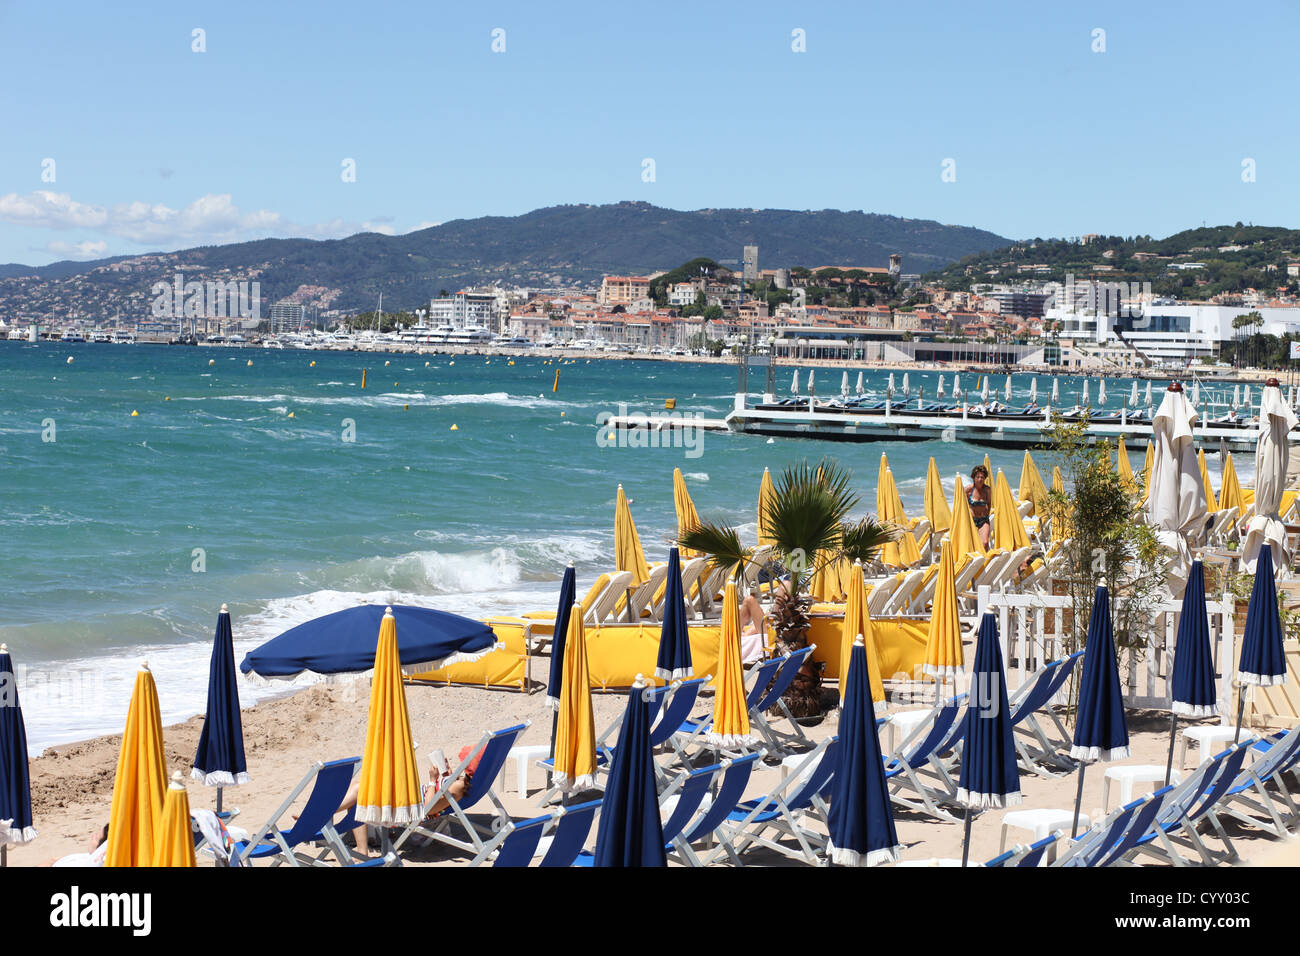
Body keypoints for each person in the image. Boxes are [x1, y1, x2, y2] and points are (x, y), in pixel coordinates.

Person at [965, 464, 992, 548]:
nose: (980, 479)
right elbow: (961, 505)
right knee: (971, 545)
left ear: (985, 478)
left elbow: (989, 503)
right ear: (974, 477)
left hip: (983, 520)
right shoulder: (968, 490)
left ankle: (985, 561)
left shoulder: (987, 490)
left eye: (982, 477)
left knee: (985, 543)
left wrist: (986, 514)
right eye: (978, 477)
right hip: (971, 521)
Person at [738, 586, 767, 664]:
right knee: (749, 600)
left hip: (769, 636)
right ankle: (739, 634)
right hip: (770, 636)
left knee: (749, 600)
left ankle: (738, 634)